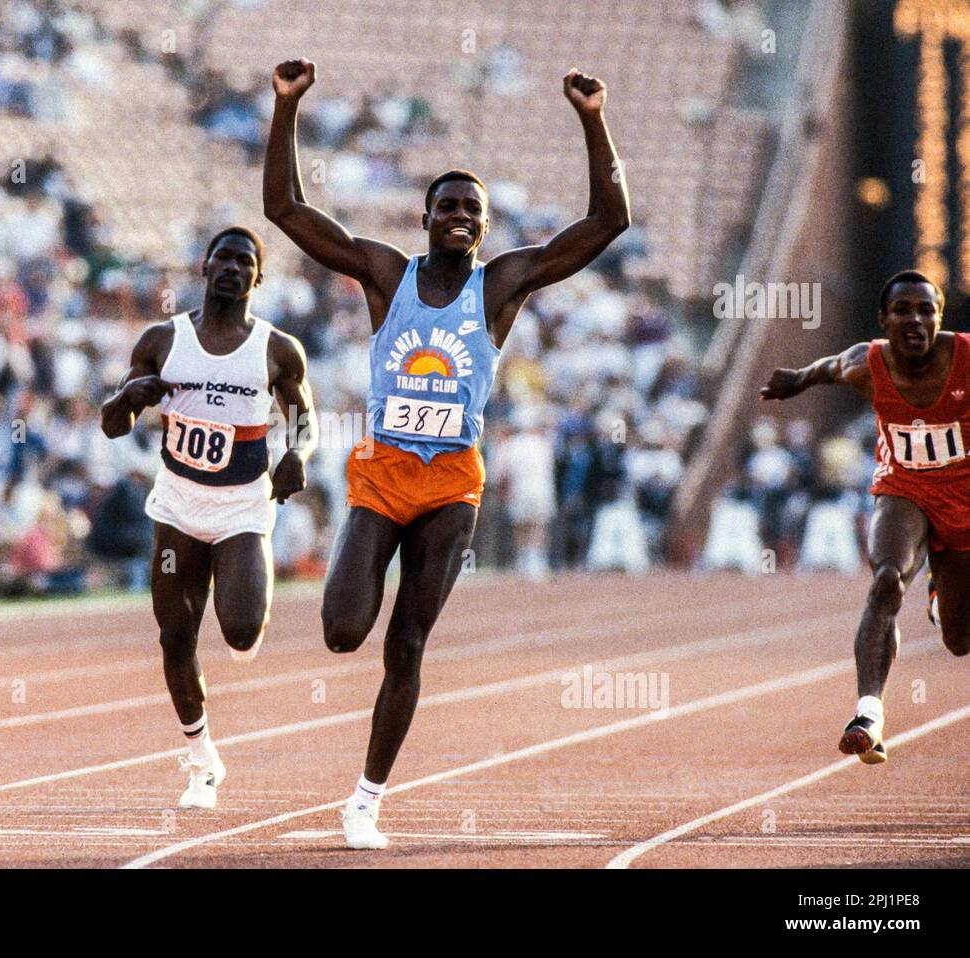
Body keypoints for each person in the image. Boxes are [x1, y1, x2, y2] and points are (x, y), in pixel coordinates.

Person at [264, 58, 630, 848]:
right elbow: (284, 207)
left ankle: (365, 799)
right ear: (425, 218)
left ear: (485, 226)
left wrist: (593, 118)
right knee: (340, 630)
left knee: (408, 639)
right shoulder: (384, 273)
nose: (460, 215)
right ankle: (362, 776)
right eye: (447, 206)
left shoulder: (500, 287)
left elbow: (609, 223)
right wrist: (286, 106)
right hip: (382, 471)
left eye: (473, 208)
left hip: (452, 485)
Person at [101, 227, 315, 810]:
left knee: (242, 629)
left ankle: (239, 605)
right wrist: (124, 400)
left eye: (244, 261)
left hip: (242, 505)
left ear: (257, 278)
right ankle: (201, 759)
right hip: (176, 503)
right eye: (223, 256)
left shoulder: (276, 350)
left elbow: (304, 421)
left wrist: (297, 454)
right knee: (175, 637)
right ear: (204, 265)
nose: (231, 267)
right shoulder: (161, 339)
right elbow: (113, 423)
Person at [761, 270, 970, 764]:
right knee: (886, 579)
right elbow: (827, 367)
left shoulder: (966, 357)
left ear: (940, 318)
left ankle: (943, 591)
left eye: (926, 309)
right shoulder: (866, 363)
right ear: (884, 320)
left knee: (960, 641)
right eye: (903, 310)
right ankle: (868, 715)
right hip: (905, 490)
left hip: (964, 496)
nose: (914, 319)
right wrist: (795, 381)